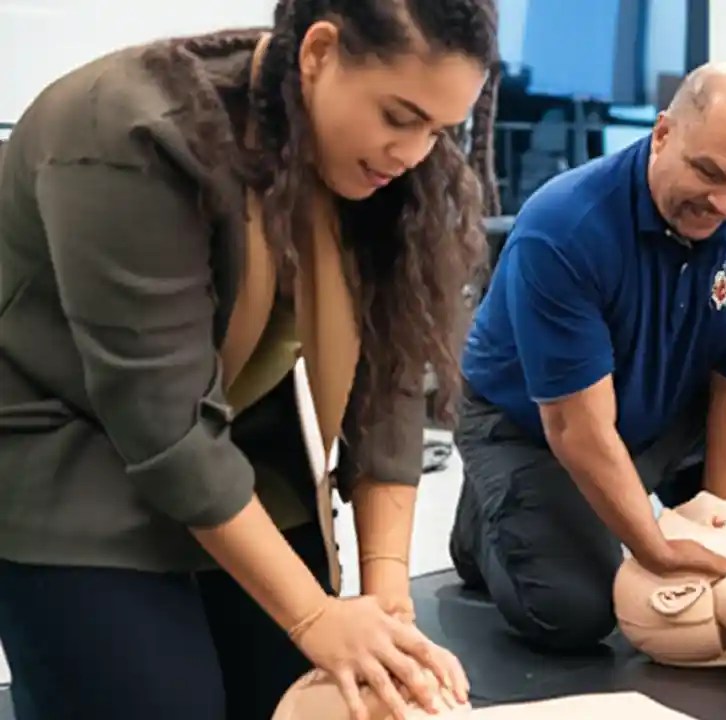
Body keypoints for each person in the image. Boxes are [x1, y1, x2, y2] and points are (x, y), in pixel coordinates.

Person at [0, 2, 498, 718]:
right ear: (320, 52)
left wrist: (387, 599)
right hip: (71, 453)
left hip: (233, 445)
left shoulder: (376, 162)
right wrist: (315, 617)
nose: (415, 153)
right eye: (399, 117)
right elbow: (163, 421)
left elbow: (388, 377)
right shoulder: (127, 132)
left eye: (438, 131)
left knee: (336, 694)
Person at [448, 62, 726, 652]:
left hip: (648, 409)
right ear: (663, 134)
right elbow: (575, 428)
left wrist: (719, 528)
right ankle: (485, 519)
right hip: (532, 430)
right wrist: (655, 550)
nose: (725, 202)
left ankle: (666, 527)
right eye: (710, 173)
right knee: (576, 613)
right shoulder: (564, 227)